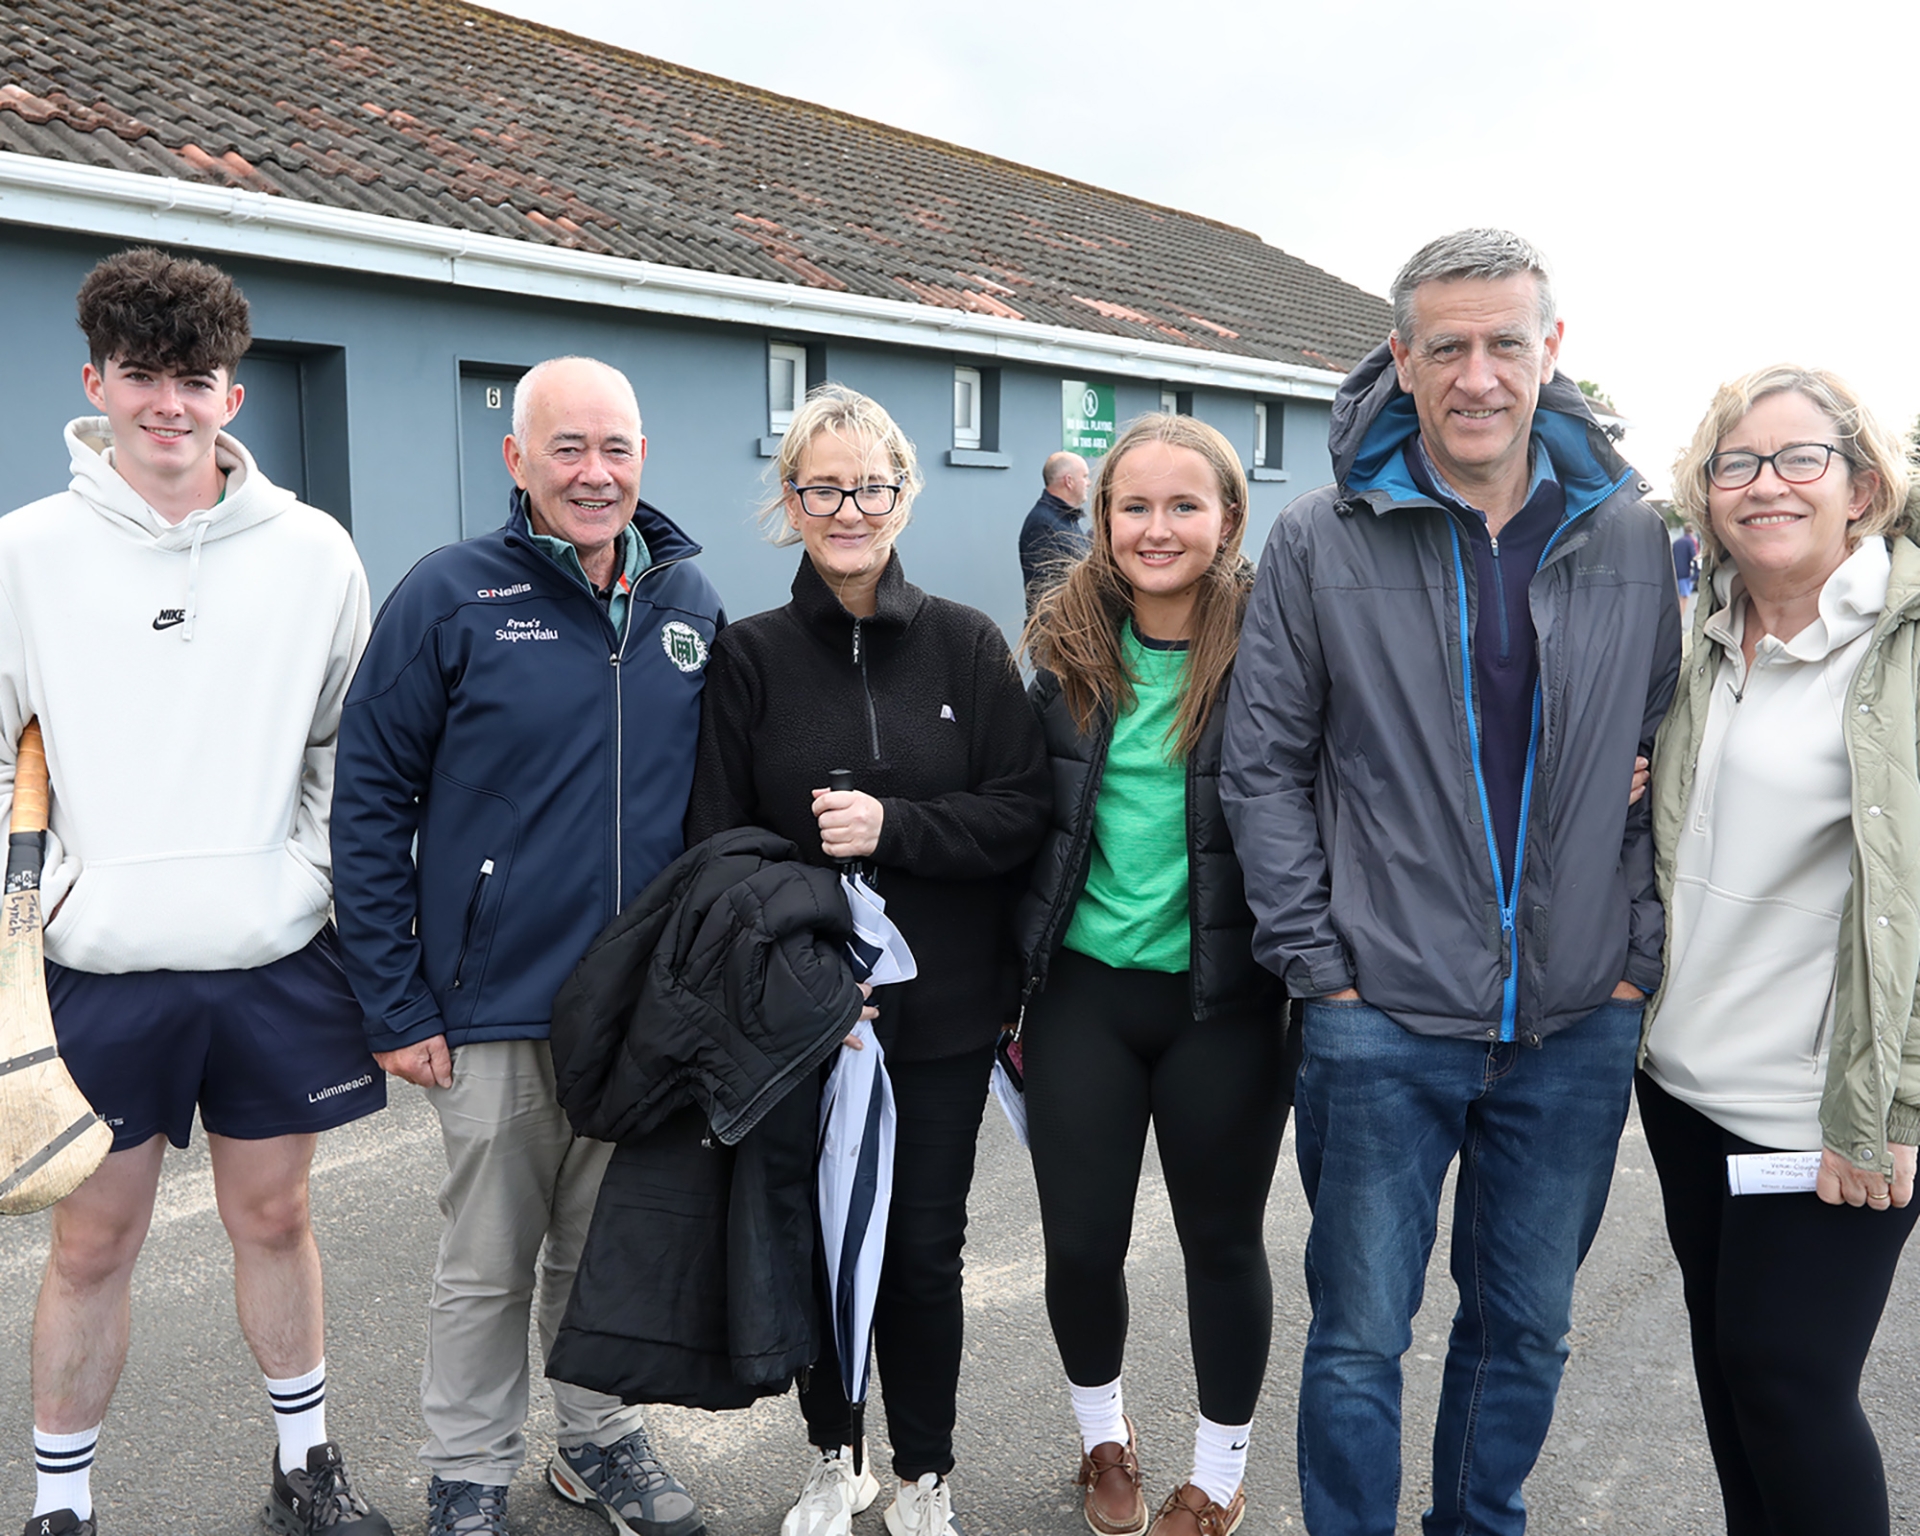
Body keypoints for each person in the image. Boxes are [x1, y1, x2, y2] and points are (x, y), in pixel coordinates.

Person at [1220, 229, 1682, 1536]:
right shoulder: (1321, 541)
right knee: (1361, 1337)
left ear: (1552, 353)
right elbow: (1264, 768)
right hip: (1382, 1018)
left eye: (1505, 344)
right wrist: (1325, 966)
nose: (1479, 375)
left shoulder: (1636, 540)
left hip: (1579, 1016)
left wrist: (1636, 950)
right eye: (1449, 347)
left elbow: (1672, 762)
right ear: (1403, 361)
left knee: (1525, 1331)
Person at [0, 248, 389, 1536]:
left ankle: (306, 1471)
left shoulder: (315, 552)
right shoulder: (27, 555)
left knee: (273, 1216)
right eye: (143, 377)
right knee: (93, 1245)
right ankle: (63, 1508)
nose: (170, 405)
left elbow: (352, 750)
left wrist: (310, 876)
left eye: (196, 379)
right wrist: (37, 912)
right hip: (98, 965)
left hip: (270, 953)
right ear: (97, 383)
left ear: (234, 392)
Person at [329, 357, 722, 1536]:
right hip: (493, 1004)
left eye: (615, 449)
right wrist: (395, 1005)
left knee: (606, 1251)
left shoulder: (689, 601)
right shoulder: (450, 595)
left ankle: (598, 1441)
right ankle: (466, 1473)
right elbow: (367, 802)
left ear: (643, 457)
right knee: (487, 1265)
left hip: (637, 1011)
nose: (594, 474)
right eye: (567, 449)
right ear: (517, 461)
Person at [685, 383, 1049, 1536]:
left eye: (871, 485)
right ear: (791, 501)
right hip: (810, 1023)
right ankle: (830, 1458)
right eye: (824, 487)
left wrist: (896, 829)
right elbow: (719, 847)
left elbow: (1020, 813)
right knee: (816, 1242)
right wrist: (808, 989)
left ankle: (924, 1472)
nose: (850, 508)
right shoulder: (747, 658)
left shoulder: (968, 646)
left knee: (922, 1253)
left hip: (940, 1020)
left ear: (906, 493)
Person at [1638, 365, 1920, 1536]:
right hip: (1686, 1082)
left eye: (1799, 458)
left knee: (1793, 1387)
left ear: (1860, 486)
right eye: (1735, 463)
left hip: (1827, 1105)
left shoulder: (1902, 650)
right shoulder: (1703, 640)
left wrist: (1897, 1109)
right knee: (1733, 1382)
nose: (1765, 485)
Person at [1017, 414, 1292, 1536]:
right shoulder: (1057, 647)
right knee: (1080, 1242)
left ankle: (1218, 1473)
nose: (1159, 527)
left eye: (1187, 505)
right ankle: (1103, 1441)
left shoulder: (1277, 649)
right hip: (1083, 994)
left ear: (1229, 519)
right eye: (1135, 505)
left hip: (1220, 1004)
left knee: (1220, 1244)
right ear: (1102, 519)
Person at [1019, 451, 1091, 612]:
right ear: (1069, 481)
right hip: (1056, 633)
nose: (1089, 483)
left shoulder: (1066, 519)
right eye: (1085, 476)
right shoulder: (1043, 526)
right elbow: (1045, 595)